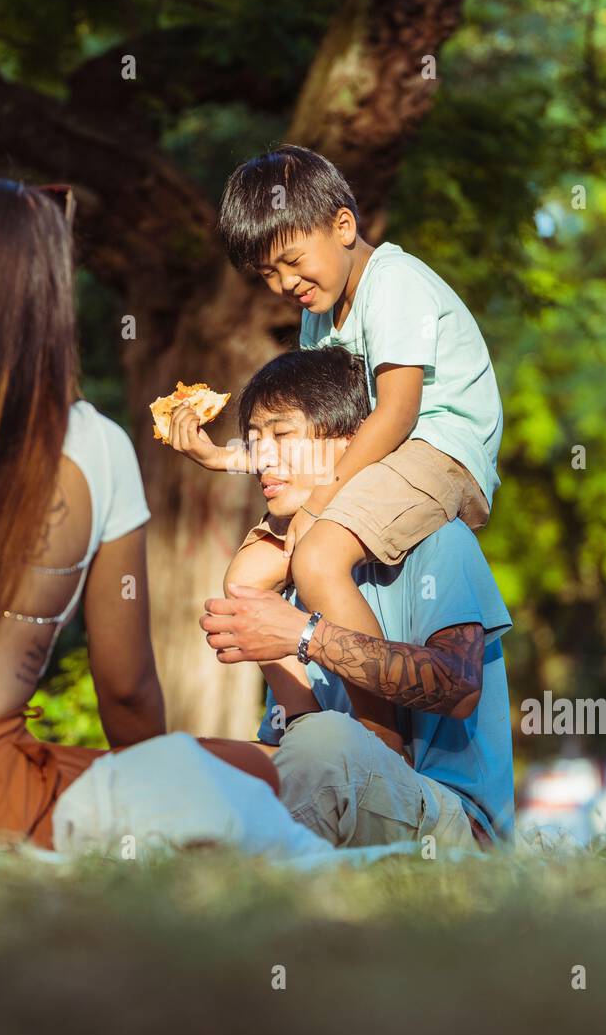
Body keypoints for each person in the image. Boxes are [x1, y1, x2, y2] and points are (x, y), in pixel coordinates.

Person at [0, 179, 277, 849]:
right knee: (260, 772)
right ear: (51, 296)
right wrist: (164, 791)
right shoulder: (88, 443)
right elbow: (127, 689)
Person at [169, 143, 503, 750]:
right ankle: (304, 731)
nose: (285, 283)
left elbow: (398, 411)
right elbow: (323, 425)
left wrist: (321, 503)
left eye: (293, 262)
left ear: (343, 225)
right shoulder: (319, 315)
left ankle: (381, 742)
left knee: (318, 556)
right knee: (247, 577)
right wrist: (221, 457)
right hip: (379, 451)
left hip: (437, 448)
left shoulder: (393, 282)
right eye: (269, 273)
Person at [199, 347, 515, 853]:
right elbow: (297, 750)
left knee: (327, 742)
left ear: (353, 445)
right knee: (192, 761)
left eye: (282, 436)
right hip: (347, 791)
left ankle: (247, 889)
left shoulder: (440, 541)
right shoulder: (292, 573)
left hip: (453, 828)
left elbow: (458, 689)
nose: (263, 459)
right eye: (254, 442)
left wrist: (304, 636)